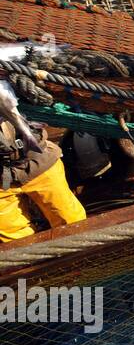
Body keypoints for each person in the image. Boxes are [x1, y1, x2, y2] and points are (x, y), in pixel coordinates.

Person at [0, 78, 86, 243]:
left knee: (72, 221)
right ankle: (34, 263)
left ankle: (80, 260)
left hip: (38, 162)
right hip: (2, 178)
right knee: (12, 237)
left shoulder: (12, 74)